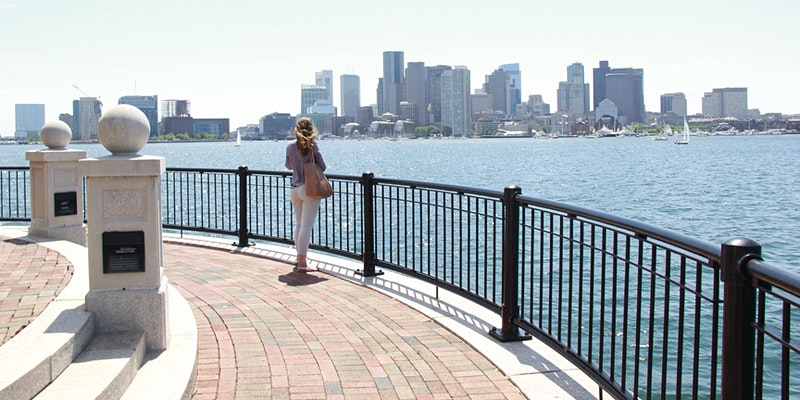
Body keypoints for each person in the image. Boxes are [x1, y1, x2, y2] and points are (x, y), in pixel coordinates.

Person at [285, 117, 327, 273]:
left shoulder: (290, 146)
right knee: (306, 227)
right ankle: (303, 263)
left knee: (299, 224)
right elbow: (323, 166)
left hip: (294, 189)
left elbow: (288, 165)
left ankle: (299, 258)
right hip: (309, 189)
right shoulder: (312, 146)